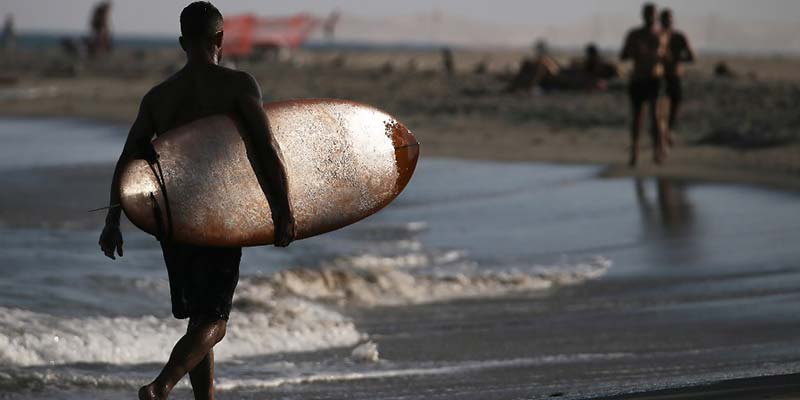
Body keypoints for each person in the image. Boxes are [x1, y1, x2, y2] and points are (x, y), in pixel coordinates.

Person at [98, 2, 296, 399]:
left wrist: (113, 220)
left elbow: (129, 158)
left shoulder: (159, 97)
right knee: (216, 321)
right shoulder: (239, 85)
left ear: (181, 43)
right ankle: (161, 386)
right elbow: (266, 147)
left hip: (173, 218)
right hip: (220, 213)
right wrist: (283, 209)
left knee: (198, 320)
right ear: (220, 39)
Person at [620, 3, 667, 166]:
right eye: (647, 14)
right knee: (637, 117)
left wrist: (658, 56)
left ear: (656, 16)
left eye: (652, 14)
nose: (649, 17)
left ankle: (658, 150)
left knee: (656, 116)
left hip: (655, 78)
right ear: (642, 15)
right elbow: (623, 55)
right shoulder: (634, 34)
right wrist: (635, 51)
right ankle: (635, 151)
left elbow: (668, 57)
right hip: (638, 78)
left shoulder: (662, 34)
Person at [660, 9, 694, 138]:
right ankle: (662, 133)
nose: (667, 22)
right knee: (659, 108)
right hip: (659, 76)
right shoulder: (656, 36)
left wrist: (675, 58)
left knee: (675, 104)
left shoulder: (679, 37)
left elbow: (691, 57)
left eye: (668, 19)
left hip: (674, 75)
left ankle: (669, 130)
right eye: (664, 19)